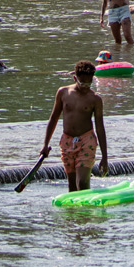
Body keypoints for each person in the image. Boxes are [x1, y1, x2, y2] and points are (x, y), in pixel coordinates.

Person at [40, 61, 109, 192]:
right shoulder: (63, 93)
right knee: (72, 187)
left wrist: (105, 158)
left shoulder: (95, 99)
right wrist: (45, 144)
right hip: (67, 141)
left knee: (82, 183)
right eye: (82, 83)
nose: (85, 87)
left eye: (89, 84)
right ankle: (75, 213)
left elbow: (100, 128)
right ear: (75, 78)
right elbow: (53, 118)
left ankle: (86, 211)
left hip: (86, 141)